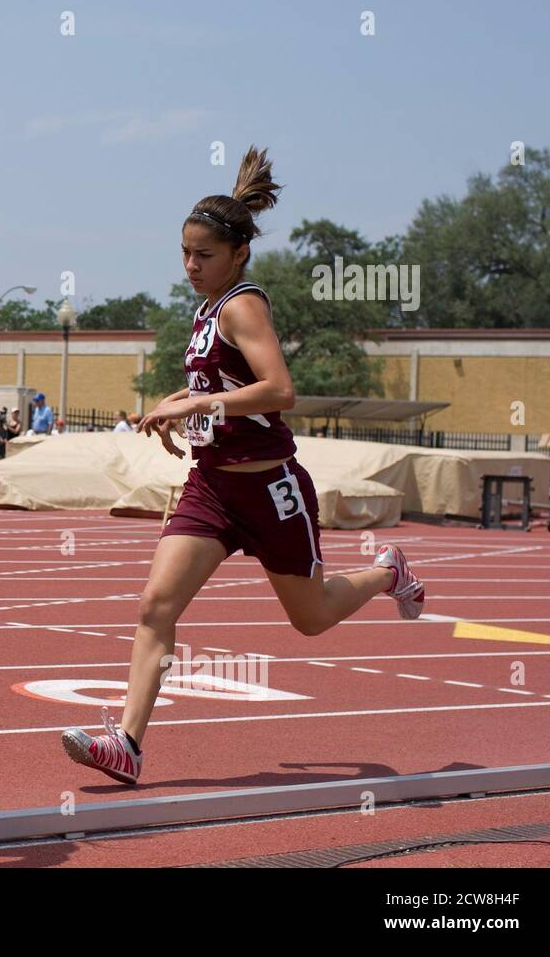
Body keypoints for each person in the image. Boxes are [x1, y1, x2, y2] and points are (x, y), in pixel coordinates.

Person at [61, 146, 426, 786]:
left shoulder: (242, 306)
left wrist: (203, 400)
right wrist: (179, 412)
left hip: (271, 490)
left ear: (238, 255)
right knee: (155, 606)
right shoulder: (204, 313)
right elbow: (220, 393)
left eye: (203, 255)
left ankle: (384, 571)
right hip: (212, 491)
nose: (190, 265)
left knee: (310, 619)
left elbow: (279, 391)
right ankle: (127, 744)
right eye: (184, 252)